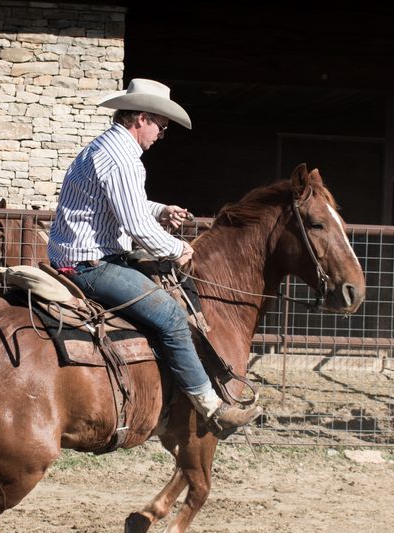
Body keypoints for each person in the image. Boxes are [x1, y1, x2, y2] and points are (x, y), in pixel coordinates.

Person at [48, 78, 261, 438]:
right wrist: (178, 248)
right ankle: (210, 408)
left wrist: (161, 210)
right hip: (91, 264)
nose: (162, 134)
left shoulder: (105, 147)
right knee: (171, 315)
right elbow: (135, 224)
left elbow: (122, 202)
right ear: (141, 118)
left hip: (77, 255)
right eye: (161, 126)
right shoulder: (123, 159)